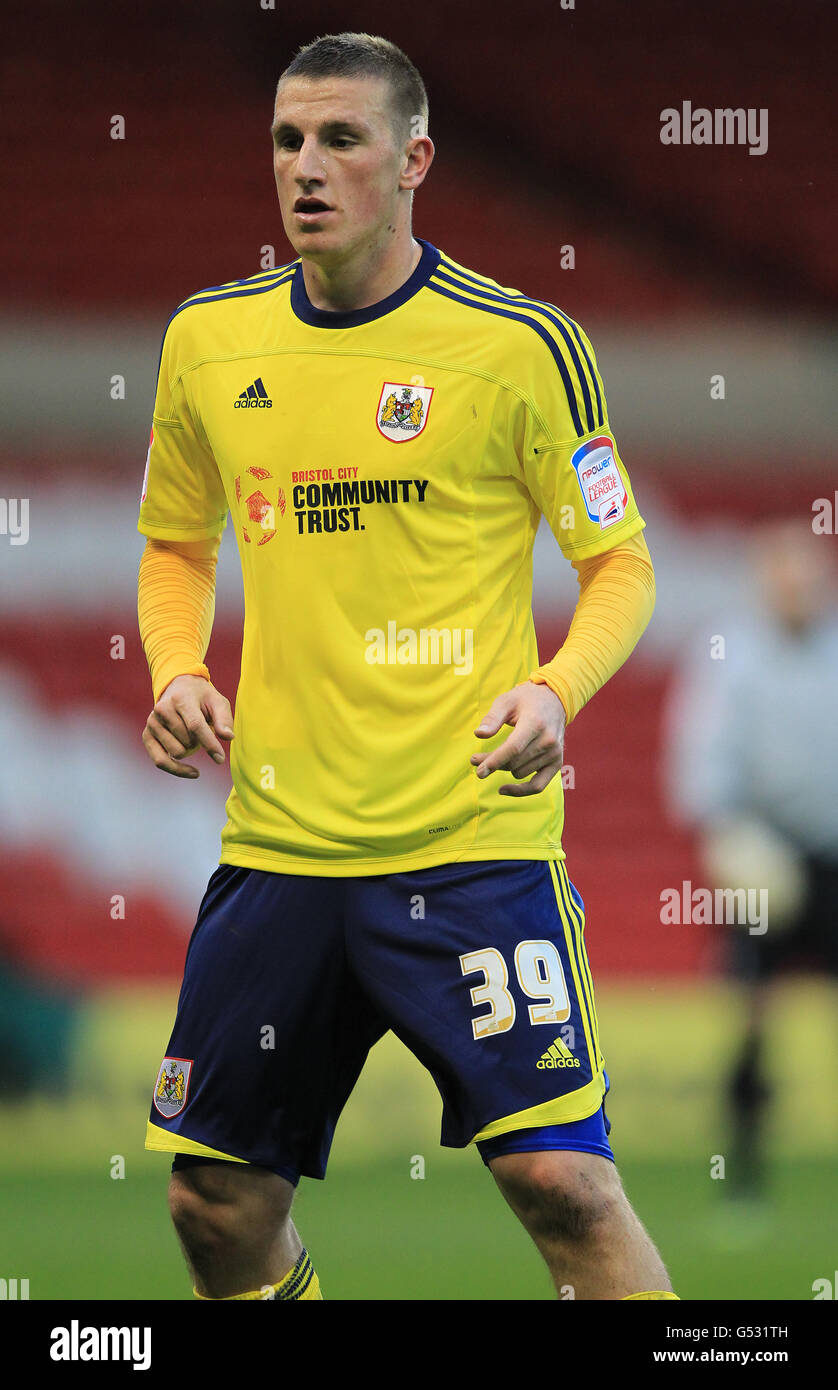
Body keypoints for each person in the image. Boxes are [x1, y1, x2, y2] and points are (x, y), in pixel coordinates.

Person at [137, 32, 673, 1301]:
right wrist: (171, 665)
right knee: (213, 1203)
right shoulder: (207, 343)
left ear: (414, 159)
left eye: (340, 140)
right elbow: (174, 540)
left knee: (565, 1186)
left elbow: (624, 563)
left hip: (471, 843)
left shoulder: (521, 346)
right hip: (285, 852)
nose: (305, 169)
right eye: (285, 141)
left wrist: (555, 687)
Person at [664, 518, 838, 1201]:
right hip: (762, 848)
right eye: (784, 577)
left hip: (834, 855)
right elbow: (701, 757)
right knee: (753, 1009)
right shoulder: (728, 655)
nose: (797, 590)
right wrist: (727, 835)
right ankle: (743, 1163)